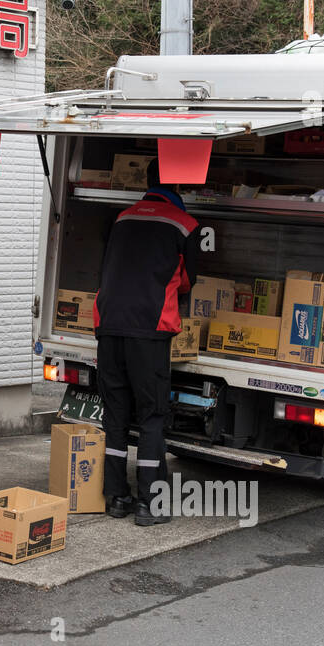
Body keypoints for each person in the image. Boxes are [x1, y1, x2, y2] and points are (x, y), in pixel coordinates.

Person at [94, 156, 201, 525]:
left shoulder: (123, 218)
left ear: (149, 179)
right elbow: (187, 281)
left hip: (108, 327)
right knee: (153, 414)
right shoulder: (185, 226)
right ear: (182, 185)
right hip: (149, 331)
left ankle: (116, 498)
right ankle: (149, 504)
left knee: (116, 413)